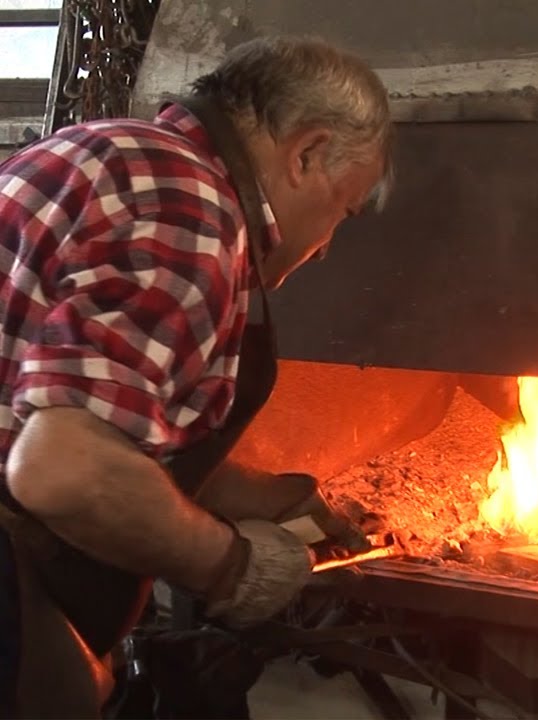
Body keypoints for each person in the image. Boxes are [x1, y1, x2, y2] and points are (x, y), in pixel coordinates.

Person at [0, 35, 394, 717]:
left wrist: (252, 493)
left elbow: (61, 406)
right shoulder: (193, 210)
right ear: (304, 154)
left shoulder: (95, 151)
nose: (328, 245)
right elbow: (62, 470)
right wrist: (232, 566)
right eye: (343, 209)